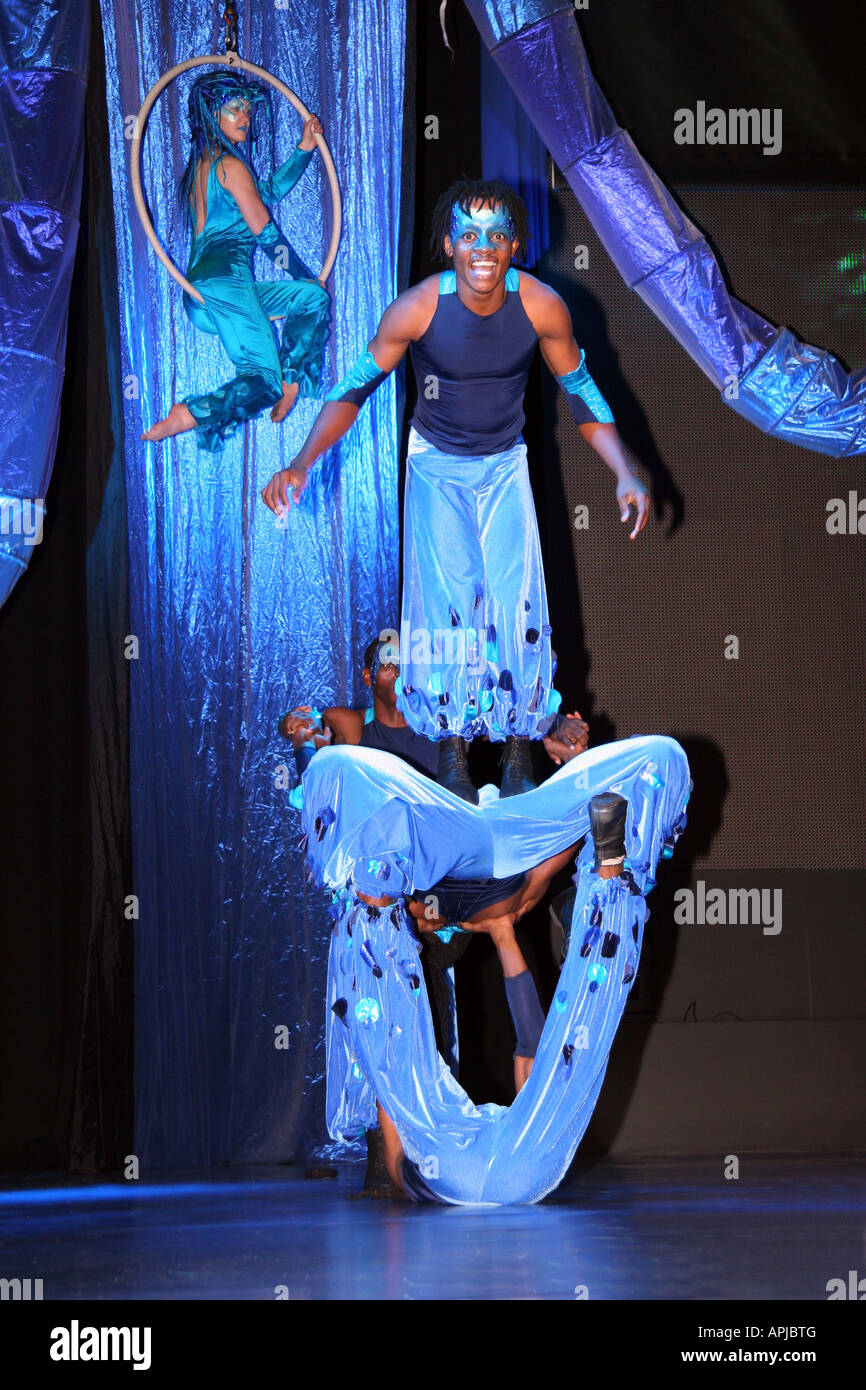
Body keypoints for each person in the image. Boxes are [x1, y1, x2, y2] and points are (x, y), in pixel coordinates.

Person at [261, 179, 648, 803]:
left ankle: (520, 750)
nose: (484, 249)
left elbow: (581, 390)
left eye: (497, 237)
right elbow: (352, 390)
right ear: (450, 245)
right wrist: (302, 462)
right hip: (436, 464)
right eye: (470, 235)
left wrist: (624, 470)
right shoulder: (416, 309)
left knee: (515, 596)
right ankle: (451, 752)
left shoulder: (542, 305)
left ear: (514, 246)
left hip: (503, 465)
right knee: (444, 599)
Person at [141, 71, 330, 449]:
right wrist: (305, 273)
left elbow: (269, 192)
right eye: (234, 109)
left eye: (247, 109)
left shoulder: (208, 166)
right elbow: (267, 235)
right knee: (263, 379)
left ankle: (291, 378)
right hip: (225, 285)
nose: (245, 117)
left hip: (209, 293)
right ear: (212, 113)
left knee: (311, 300)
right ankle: (193, 413)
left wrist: (305, 147)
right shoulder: (231, 167)